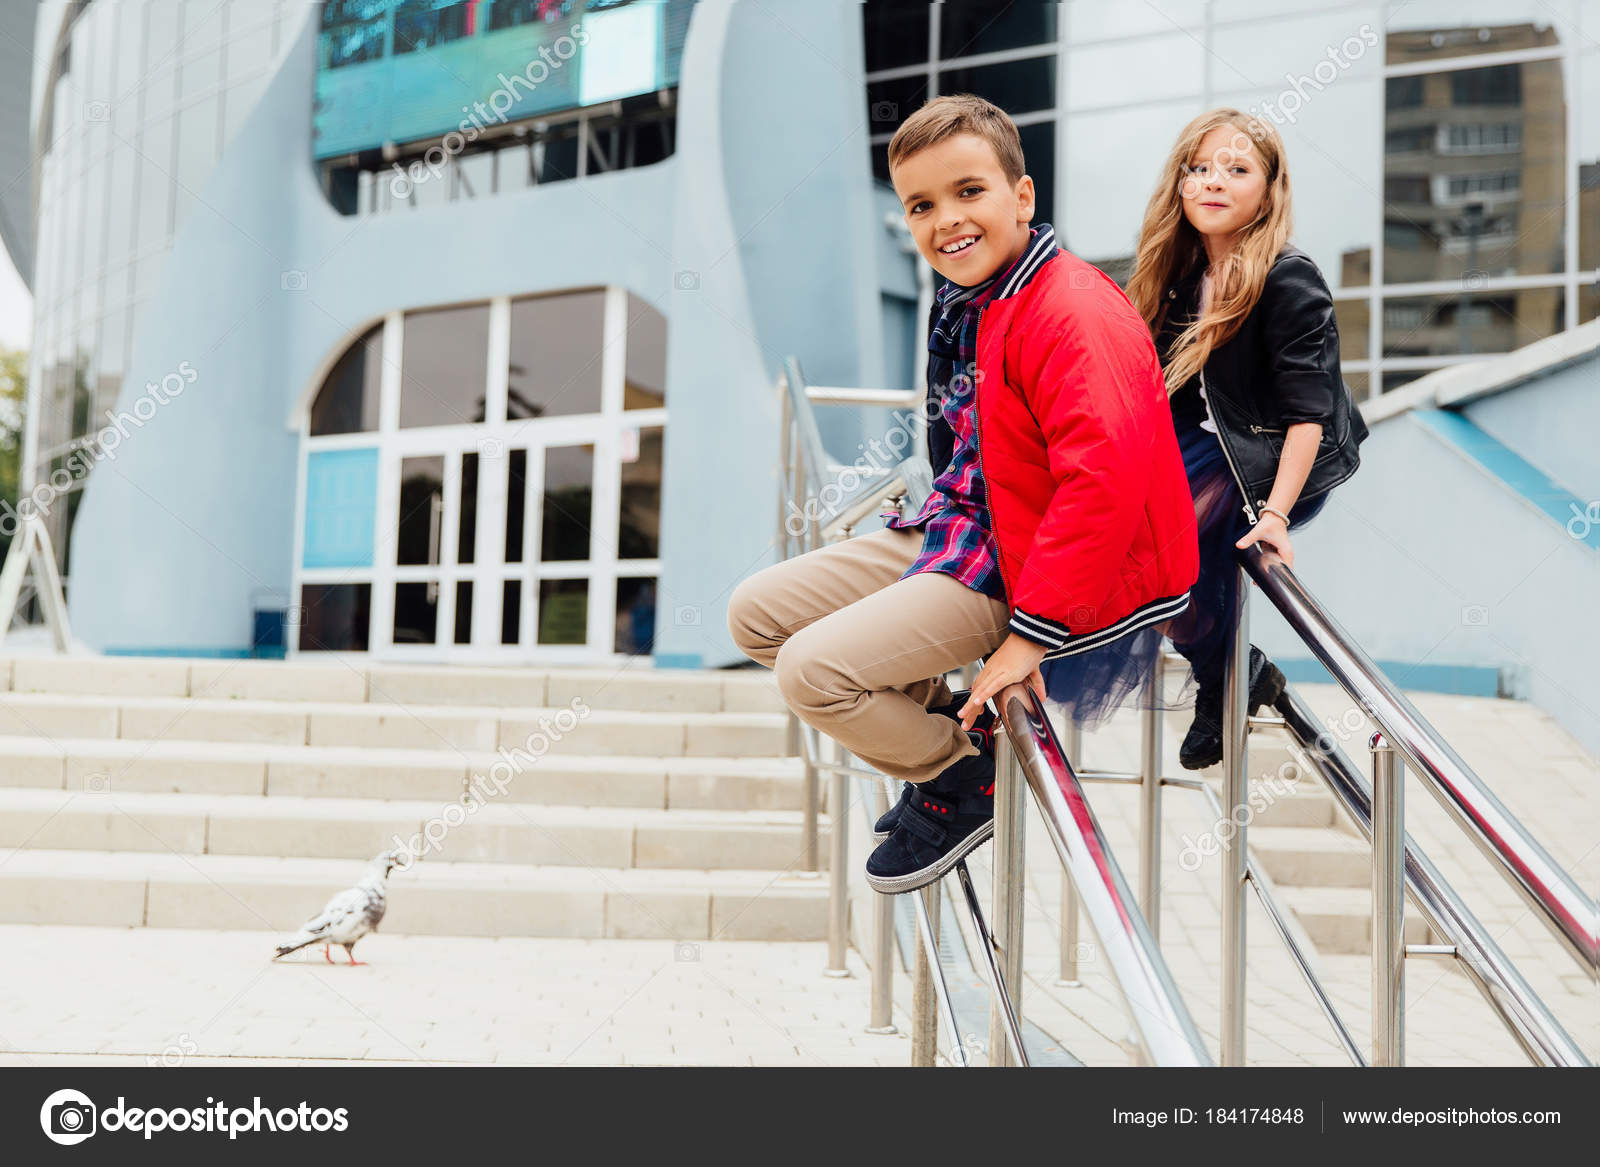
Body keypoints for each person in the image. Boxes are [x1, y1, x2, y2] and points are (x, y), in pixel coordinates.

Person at [726, 94, 1197, 895]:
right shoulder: (971, 301)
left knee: (811, 673)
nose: (946, 219)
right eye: (921, 204)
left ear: (1022, 197)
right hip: (962, 527)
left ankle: (961, 777)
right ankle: (932, 720)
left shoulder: (1071, 308)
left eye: (968, 191)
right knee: (755, 613)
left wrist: (1028, 637)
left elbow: (1102, 486)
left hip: (1025, 566)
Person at [1123, 107, 1369, 769]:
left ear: (1268, 190)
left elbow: (1307, 416)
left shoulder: (1289, 279)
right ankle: (1238, 667)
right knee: (1127, 538)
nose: (1213, 182)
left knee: (1175, 535)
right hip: (1201, 448)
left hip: (1273, 461)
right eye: (1198, 168)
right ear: (1179, 184)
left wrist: (1277, 513)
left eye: (1236, 169)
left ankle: (1220, 683)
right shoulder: (1174, 276)